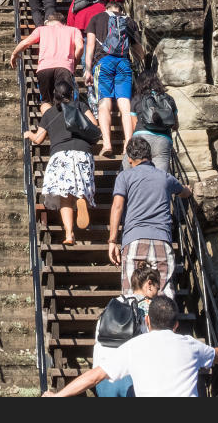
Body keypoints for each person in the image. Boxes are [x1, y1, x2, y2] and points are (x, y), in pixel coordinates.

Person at [46, 296, 218, 398]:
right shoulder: (190, 345)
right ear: (176, 325)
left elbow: (94, 377)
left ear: (147, 320)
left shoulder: (133, 346)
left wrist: (58, 397)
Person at [108, 136, 190, 298]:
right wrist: (190, 189)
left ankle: (136, 321)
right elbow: (184, 192)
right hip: (161, 240)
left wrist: (112, 240)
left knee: (131, 295)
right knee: (163, 295)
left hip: (134, 239)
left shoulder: (124, 177)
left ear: (130, 159)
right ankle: (163, 322)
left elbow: (117, 206)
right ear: (150, 157)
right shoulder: (165, 177)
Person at [25, 79, 99, 245]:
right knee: (80, 189)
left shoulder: (49, 114)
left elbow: (38, 139)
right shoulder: (81, 107)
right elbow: (95, 126)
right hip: (83, 152)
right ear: (71, 93)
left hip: (60, 155)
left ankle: (69, 233)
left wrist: (28, 134)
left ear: (55, 96)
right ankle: (81, 199)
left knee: (64, 197)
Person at [83, 0, 143, 159]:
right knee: (125, 106)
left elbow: (90, 47)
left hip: (103, 63)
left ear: (106, 6)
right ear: (121, 9)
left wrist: (88, 70)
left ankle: (107, 144)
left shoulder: (96, 19)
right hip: (124, 64)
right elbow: (139, 52)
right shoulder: (129, 22)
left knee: (104, 105)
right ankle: (128, 144)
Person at [91, 264, 162, 397]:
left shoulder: (113, 304)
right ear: (149, 284)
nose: (158, 293)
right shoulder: (150, 308)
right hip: (132, 380)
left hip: (102, 376)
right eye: (158, 288)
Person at [8, 8, 83, 112]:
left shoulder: (41, 29)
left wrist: (14, 53)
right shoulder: (73, 30)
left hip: (44, 68)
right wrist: (74, 64)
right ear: (64, 22)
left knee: (46, 101)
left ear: (48, 22)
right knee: (64, 99)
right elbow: (80, 48)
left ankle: (49, 126)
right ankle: (63, 125)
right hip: (64, 67)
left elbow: (25, 43)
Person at [127, 68, 179, 172]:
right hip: (163, 140)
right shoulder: (169, 99)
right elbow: (175, 125)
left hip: (141, 139)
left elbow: (134, 126)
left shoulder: (137, 99)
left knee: (132, 173)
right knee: (160, 176)